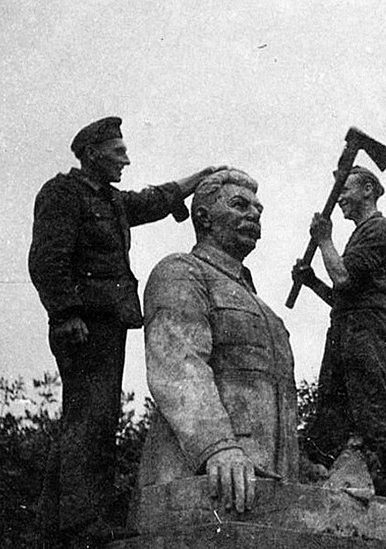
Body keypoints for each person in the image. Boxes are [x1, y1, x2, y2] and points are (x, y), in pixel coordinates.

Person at [28, 116, 216, 547]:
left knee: (90, 415)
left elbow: (151, 201)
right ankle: (81, 523)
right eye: (118, 153)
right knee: (91, 417)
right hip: (83, 324)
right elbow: (46, 260)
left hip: (108, 322)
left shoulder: (110, 201)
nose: (126, 160)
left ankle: (54, 523)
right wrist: (65, 314)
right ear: (92, 154)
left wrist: (195, 180)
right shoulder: (63, 193)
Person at [138, 168, 298, 516]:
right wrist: (217, 446)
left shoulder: (265, 310)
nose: (253, 214)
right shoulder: (181, 271)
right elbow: (179, 364)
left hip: (263, 488)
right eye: (240, 205)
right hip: (200, 482)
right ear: (204, 217)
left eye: (258, 209)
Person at [291, 165, 386, 547]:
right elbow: (343, 297)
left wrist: (323, 241)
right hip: (348, 332)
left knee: (379, 427)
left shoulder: (379, 231)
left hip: (369, 336)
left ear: (368, 190)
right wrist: (311, 282)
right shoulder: (360, 237)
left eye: (346, 189)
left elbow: (345, 280)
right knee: (327, 424)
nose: (339, 198)